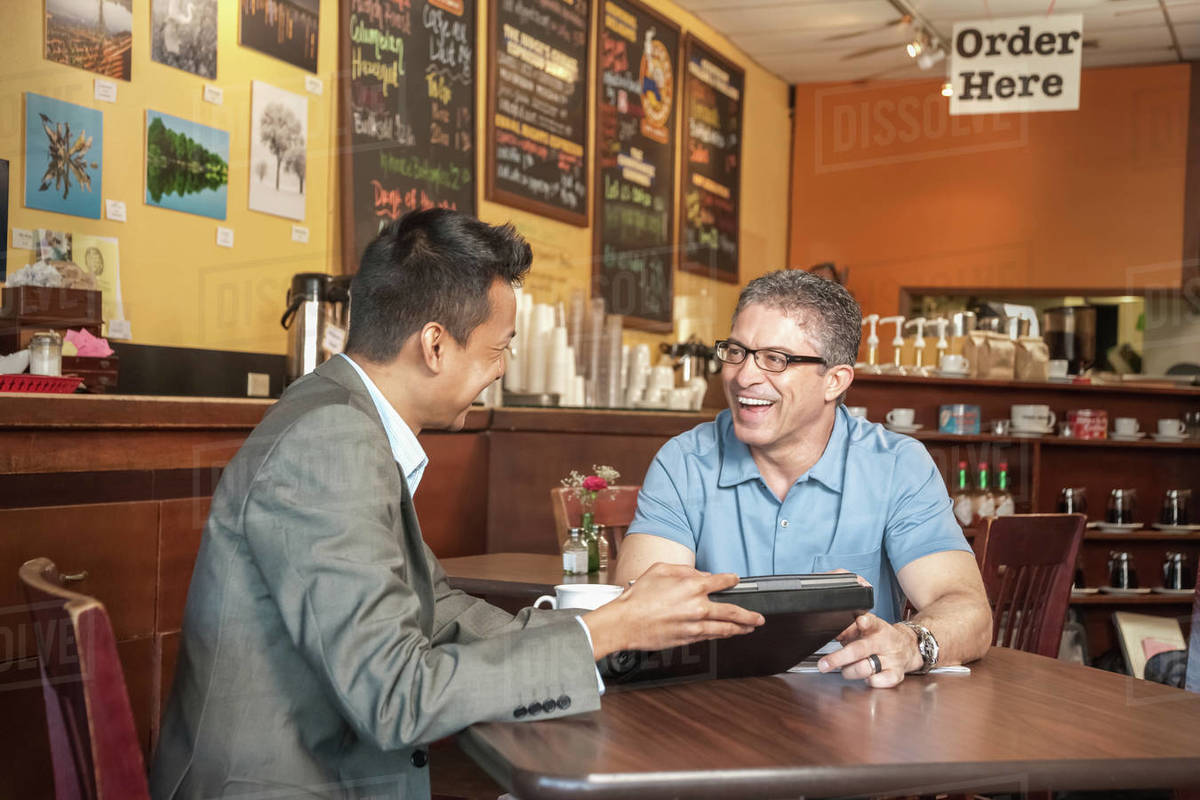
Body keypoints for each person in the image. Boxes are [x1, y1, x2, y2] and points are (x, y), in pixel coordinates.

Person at [151, 209, 763, 800]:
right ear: (435, 346)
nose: (501, 371)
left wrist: (611, 634)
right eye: (499, 349)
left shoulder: (341, 416)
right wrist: (602, 633)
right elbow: (395, 698)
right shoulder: (330, 442)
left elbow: (438, 610)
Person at [614, 269, 992, 688]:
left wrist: (910, 642)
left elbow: (969, 612)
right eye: (737, 352)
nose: (743, 376)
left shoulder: (897, 466)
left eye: (775, 359)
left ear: (834, 381)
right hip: (715, 703)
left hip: (855, 711)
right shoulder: (683, 462)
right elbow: (637, 614)